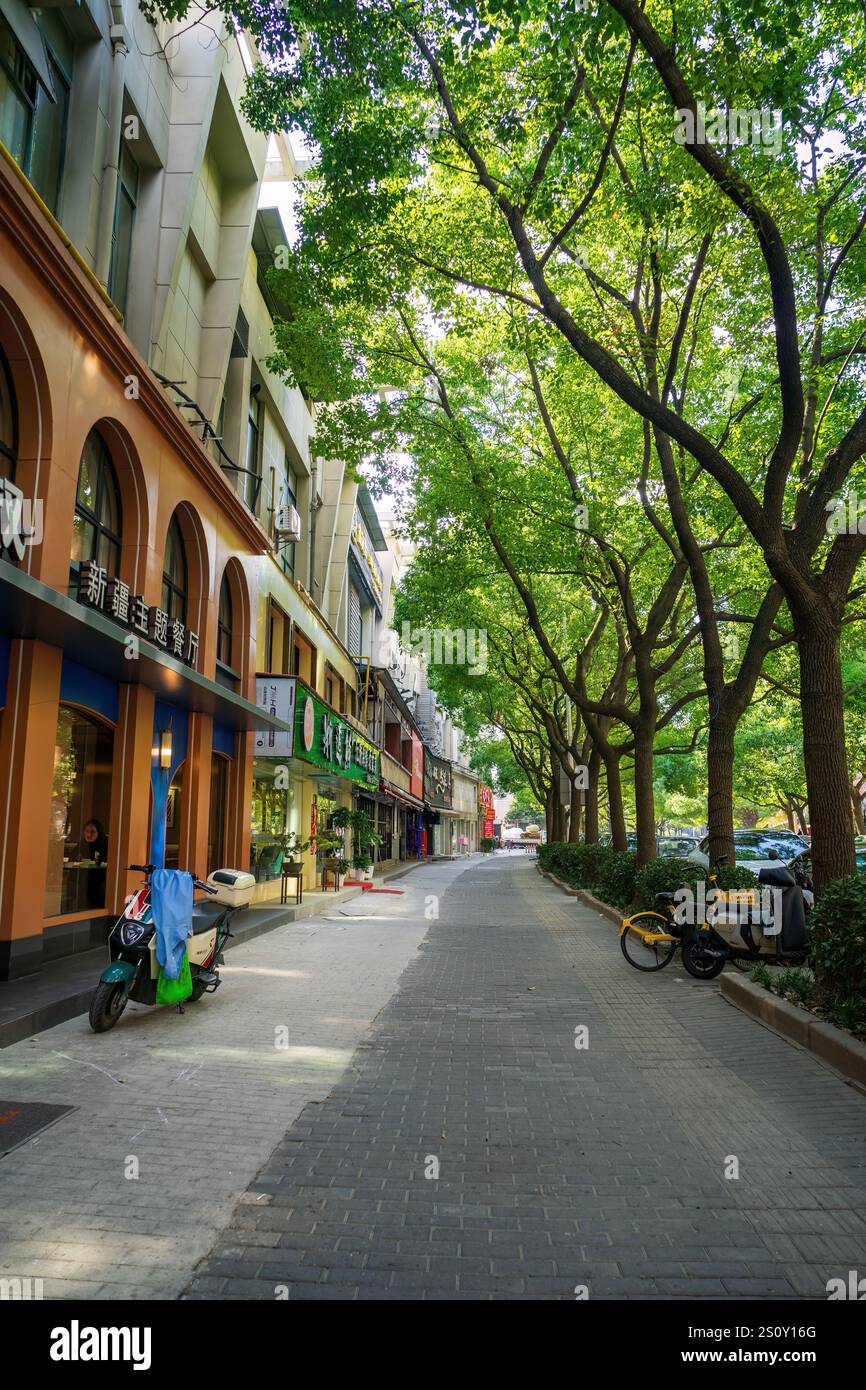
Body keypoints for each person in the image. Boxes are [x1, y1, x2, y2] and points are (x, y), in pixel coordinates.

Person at [82, 819, 109, 908]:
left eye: (92, 832)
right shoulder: (82, 845)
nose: (89, 835)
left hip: (101, 881)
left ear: (99, 832)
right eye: (87, 831)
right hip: (85, 881)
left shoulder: (105, 845)